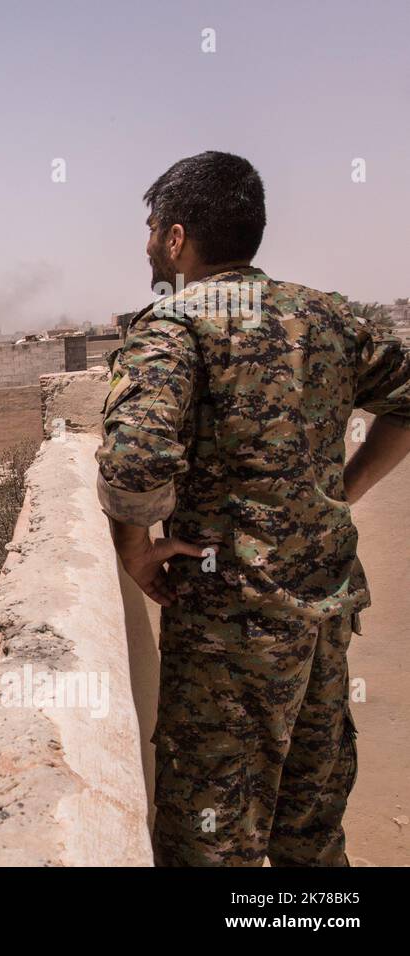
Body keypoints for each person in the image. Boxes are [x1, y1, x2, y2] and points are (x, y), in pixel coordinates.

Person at [97, 151, 410, 866]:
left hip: (227, 639)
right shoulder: (330, 318)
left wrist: (135, 547)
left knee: (214, 844)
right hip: (323, 619)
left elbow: (134, 460)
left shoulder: (174, 327)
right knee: (311, 836)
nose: (146, 246)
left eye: (151, 230)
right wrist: (346, 490)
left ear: (176, 238)